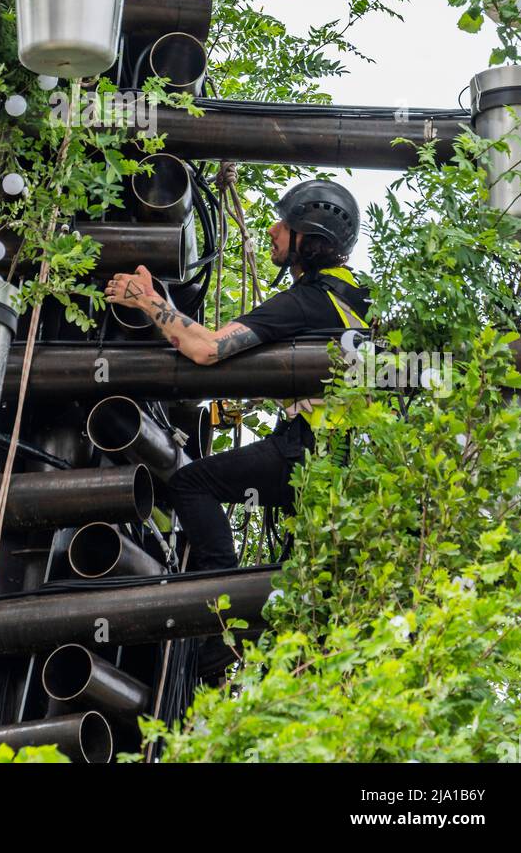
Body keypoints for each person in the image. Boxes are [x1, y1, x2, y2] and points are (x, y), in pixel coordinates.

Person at [105, 179, 369, 678]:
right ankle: (233, 635)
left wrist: (149, 302)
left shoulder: (308, 301)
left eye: (284, 225)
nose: (271, 230)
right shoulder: (354, 299)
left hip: (304, 451)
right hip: (333, 461)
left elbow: (206, 348)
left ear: (307, 241)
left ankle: (218, 596)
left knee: (190, 482)